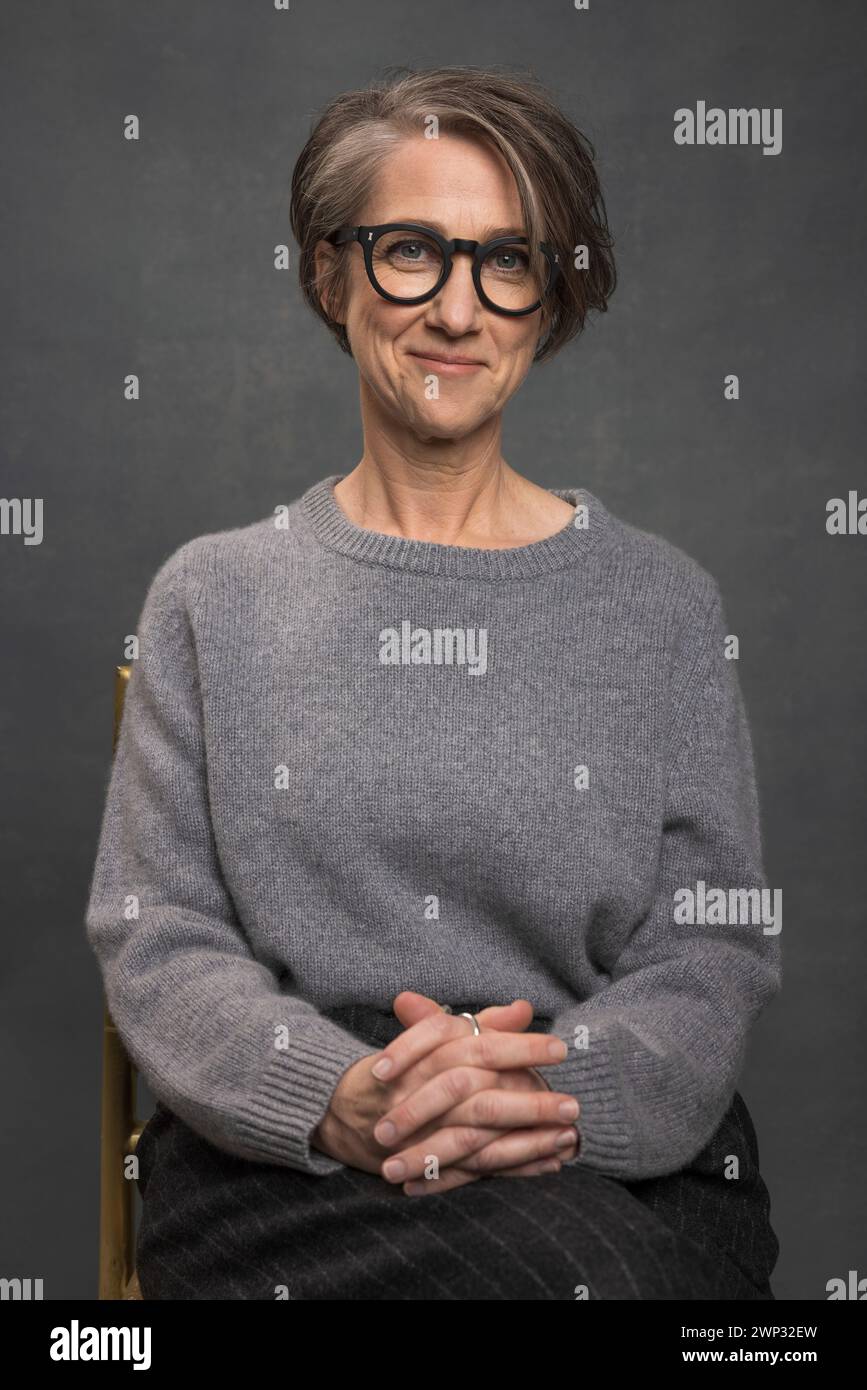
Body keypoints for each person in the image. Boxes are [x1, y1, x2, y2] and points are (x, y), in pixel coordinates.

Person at [85, 65, 781, 1300]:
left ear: (547, 298)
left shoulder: (663, 606)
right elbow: (163, 939)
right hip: (289, 1164)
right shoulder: (214, 595)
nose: (457, 310)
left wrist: (554, 1094)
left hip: (611, 1146)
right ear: (330, 273)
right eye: (412, 250)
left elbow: (710, 948)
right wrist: (339, 1096)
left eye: (505, 262)